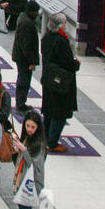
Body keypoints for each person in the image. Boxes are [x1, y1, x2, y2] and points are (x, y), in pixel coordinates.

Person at [10, 109, 46, 209]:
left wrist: (23, 150)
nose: (29, 130)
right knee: (22, 208)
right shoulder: (28, 139)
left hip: (30, 183)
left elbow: (34, 164)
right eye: (28, 126)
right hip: (22, 179)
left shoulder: (39, 144)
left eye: (32, 127)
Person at [41, 12, 79, 151]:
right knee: (60, 113)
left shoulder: (46, 38)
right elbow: (68, 63)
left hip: (48, 80)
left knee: (49, 111)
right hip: (60, 82)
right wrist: (76, 64)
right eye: (64, 23)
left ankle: (45, 138)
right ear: (61, 26)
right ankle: (52, 143)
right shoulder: (61, 41)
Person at [12, 1, 40, 116]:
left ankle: (21, 104)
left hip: (21, 56)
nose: (38, 14)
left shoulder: (23, 19)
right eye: (36, 11)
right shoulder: (27, 24)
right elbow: (26, 46)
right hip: (24, 59)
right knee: (24, 82)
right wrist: (32, 61)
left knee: (23, 81)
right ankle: (20, 105)